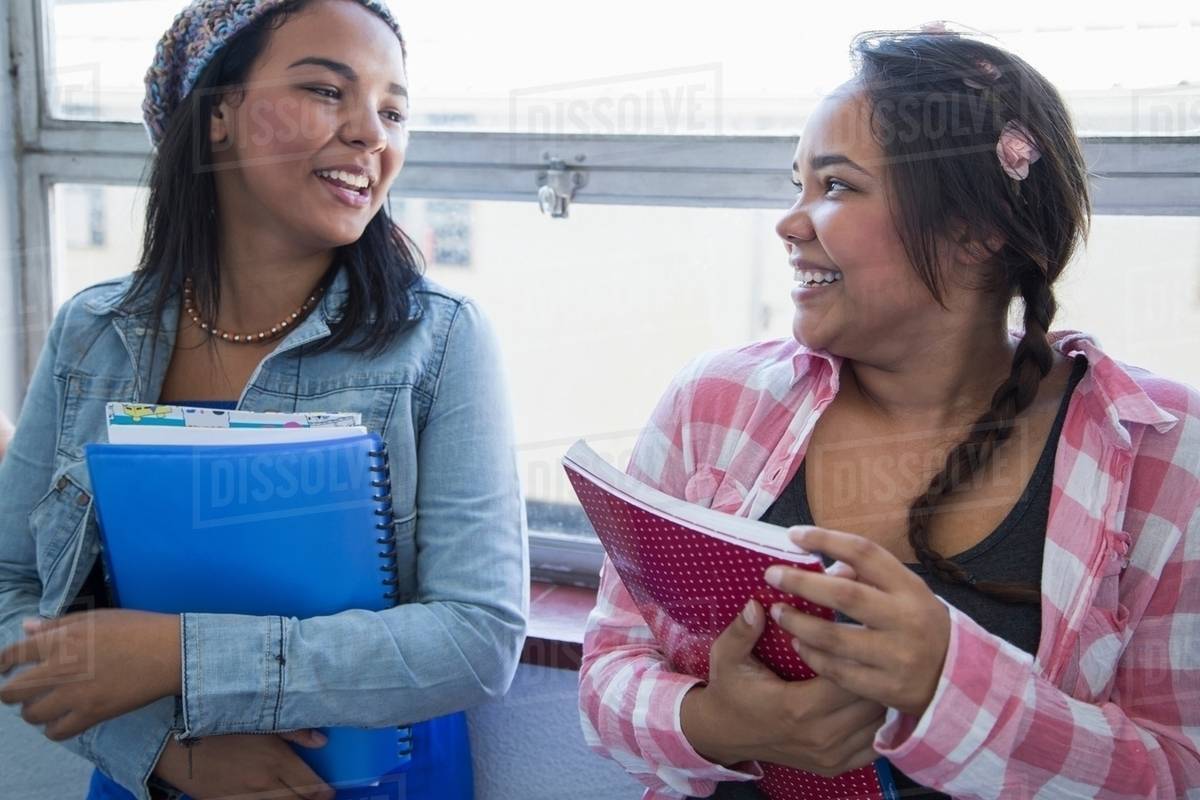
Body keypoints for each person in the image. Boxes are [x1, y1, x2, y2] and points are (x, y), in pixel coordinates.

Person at [578, 27, 1200, 800]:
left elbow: (1178, 772)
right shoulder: (715, 402)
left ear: (976, 231)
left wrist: (950, 681)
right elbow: (608, 668)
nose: (790, 221)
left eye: (835, 187)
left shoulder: (1160, 451)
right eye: (796, 183)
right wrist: (717, 724)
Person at [0, 1, 528, 799]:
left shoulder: (443, 340)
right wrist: (165, 751)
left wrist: (175, 655)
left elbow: (478, 637)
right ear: (218, 115)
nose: (370, 135)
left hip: (379, 781)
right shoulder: (92, 332)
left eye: (393, 110)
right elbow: (11, 587)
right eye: (327, 91)